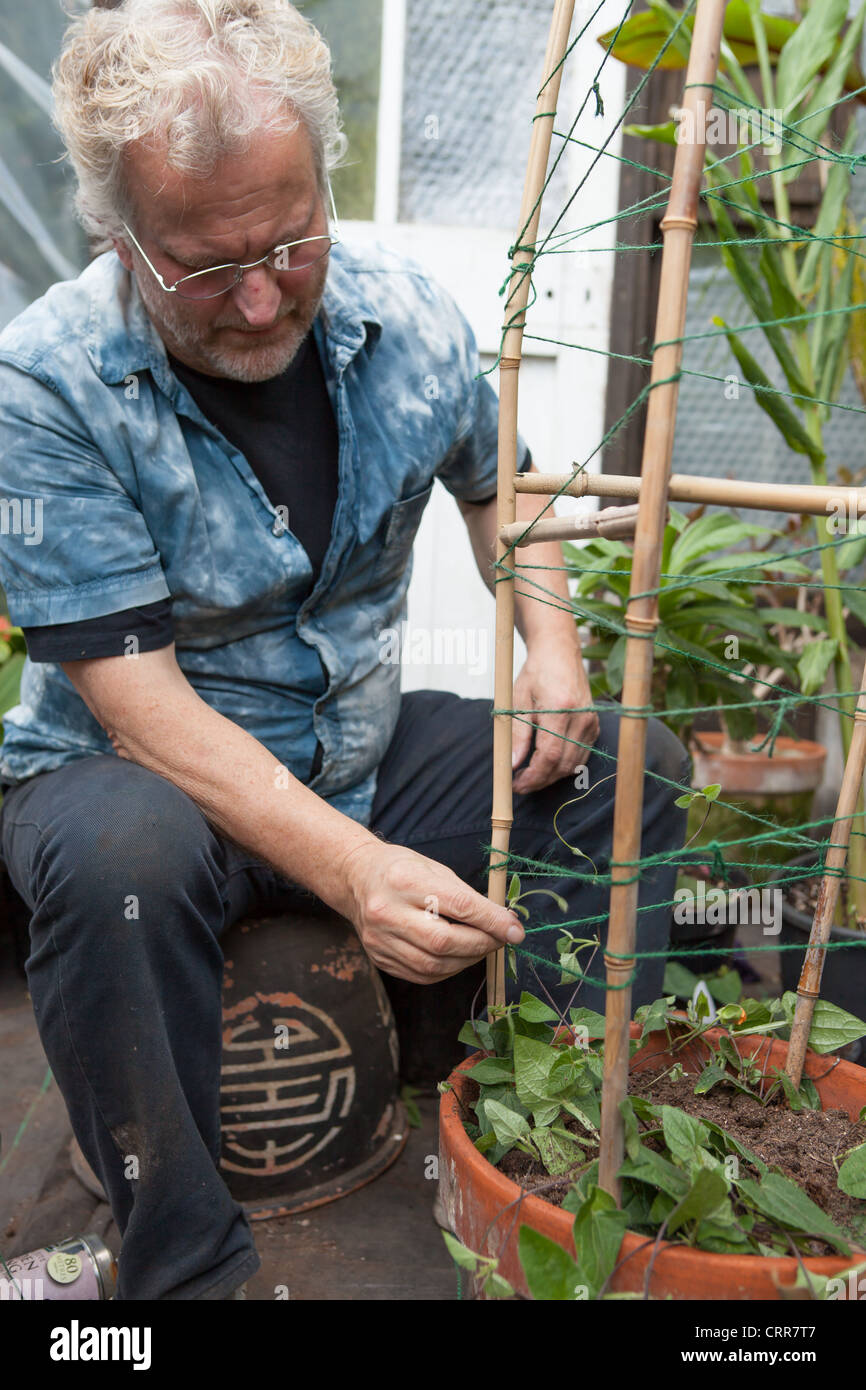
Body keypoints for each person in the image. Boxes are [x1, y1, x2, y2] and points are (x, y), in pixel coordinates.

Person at [0, 0, 689, 1299]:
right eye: (206, 265)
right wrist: (358, 868)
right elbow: (139, 710)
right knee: (115, 855)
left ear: (320, 180)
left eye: (288, 242)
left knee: (619, 768)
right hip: (140, 779)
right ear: (120, 235)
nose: (260, 297)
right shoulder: (46, 387)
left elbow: (501, 492)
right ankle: (178, 1270)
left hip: (349, 755)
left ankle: (540, 1146)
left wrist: (551, 643)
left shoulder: (406, 321)